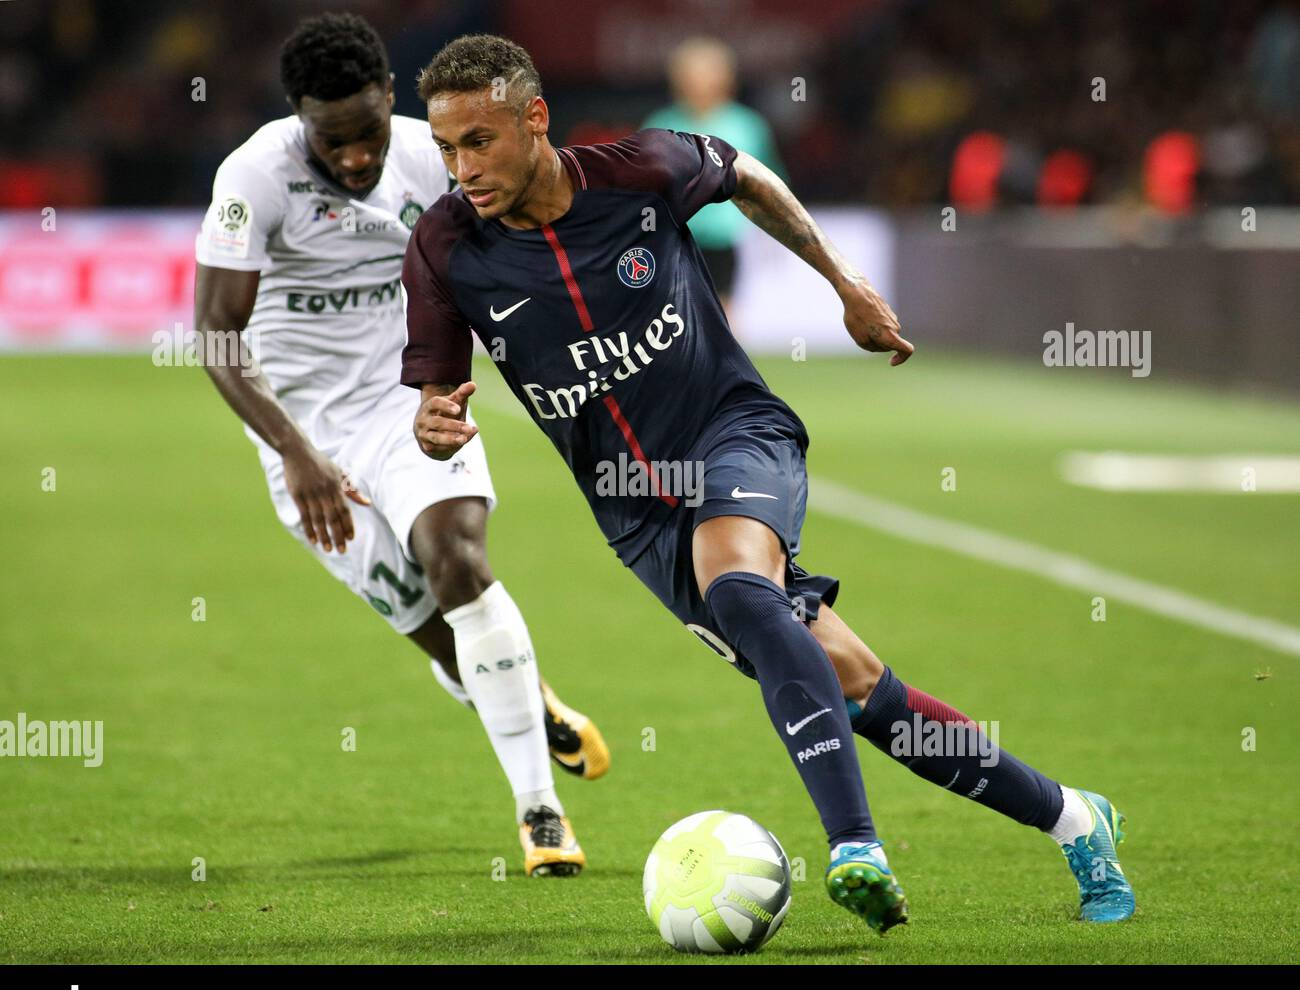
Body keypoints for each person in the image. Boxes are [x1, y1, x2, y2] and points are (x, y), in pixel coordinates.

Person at [401, 34, 1135, 932]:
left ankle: (854, 843)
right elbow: (438, 394)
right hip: (636, 519)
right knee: (864, 690)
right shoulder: (443, 245)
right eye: (445, 148)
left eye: (479, 141)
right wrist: (435, 423)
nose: (461, 167)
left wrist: (843, 281)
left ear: (534, 119)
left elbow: (747, 176)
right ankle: (1073, 816)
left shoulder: (643, 167)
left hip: (732, 431)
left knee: (741, 585)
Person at [192, 13, 607, 879]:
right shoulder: (251, 178)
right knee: (441, 632)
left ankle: (539, 810)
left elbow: (516, 249)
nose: (353, 157)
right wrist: (297, 453)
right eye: (330, 140)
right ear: (300, 118)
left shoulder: (432, 155)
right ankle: (522, 693)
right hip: (298, 430)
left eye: (366, 133)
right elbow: (218, 336)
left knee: (457, 562)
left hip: (412, 400)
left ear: (391, 96)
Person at [642, 36, 786, 322]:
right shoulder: (659, 125)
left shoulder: (746, 126)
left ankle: (726, 362)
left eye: (705, 74)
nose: (697, 83)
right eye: (690, 76)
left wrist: (775, 226)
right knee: (674, 311)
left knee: (722, 309)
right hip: (674, 236)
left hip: (723, 239)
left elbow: (770, 179)